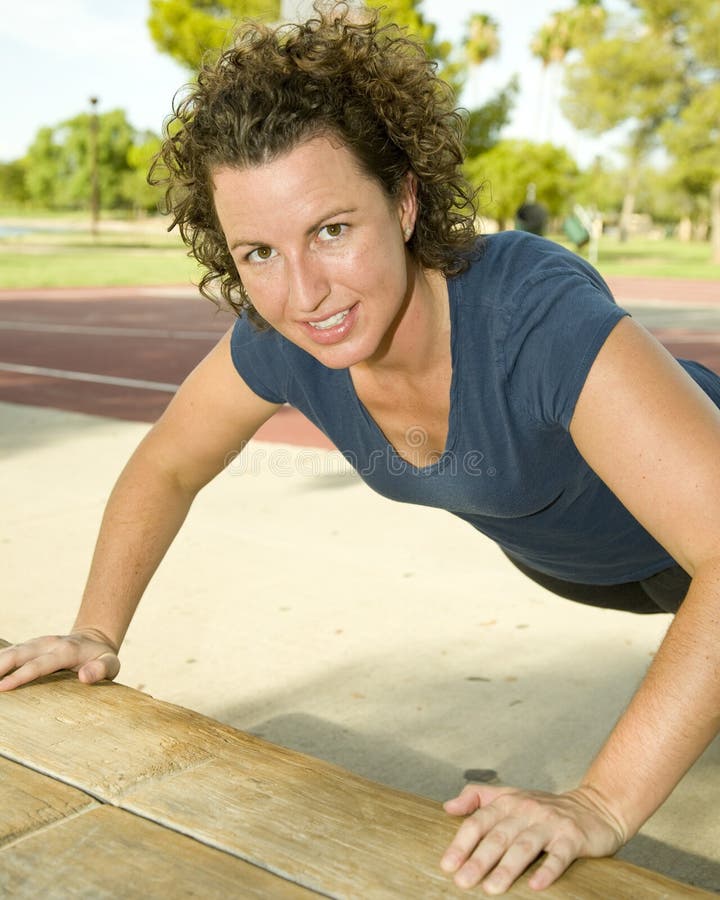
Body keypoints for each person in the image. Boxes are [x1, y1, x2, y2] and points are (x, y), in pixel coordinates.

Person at [2, 6, 720, 894]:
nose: (304, 292)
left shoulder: (535, 321)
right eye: (258, 251)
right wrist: (94, 630)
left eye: (331, 230)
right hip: (603, 567)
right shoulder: (282, 343)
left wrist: (601, 802)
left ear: (405, 201)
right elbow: (169, 463)